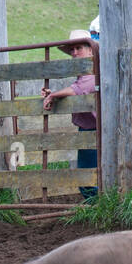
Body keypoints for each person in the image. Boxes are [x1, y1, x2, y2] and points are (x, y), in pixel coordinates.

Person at [42, 22, 99, 199]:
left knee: (88, 175)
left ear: (90, 50)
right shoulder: (85, 72)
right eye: (72, 49)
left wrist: (54, 96)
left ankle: (97, 204)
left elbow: (82, 88)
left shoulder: (93, 71)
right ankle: (97, 204)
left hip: (96, 130)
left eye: (79, 48)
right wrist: (56, 94)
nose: (75, 53)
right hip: (89, 128)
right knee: (87, 173)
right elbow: (77, 88)